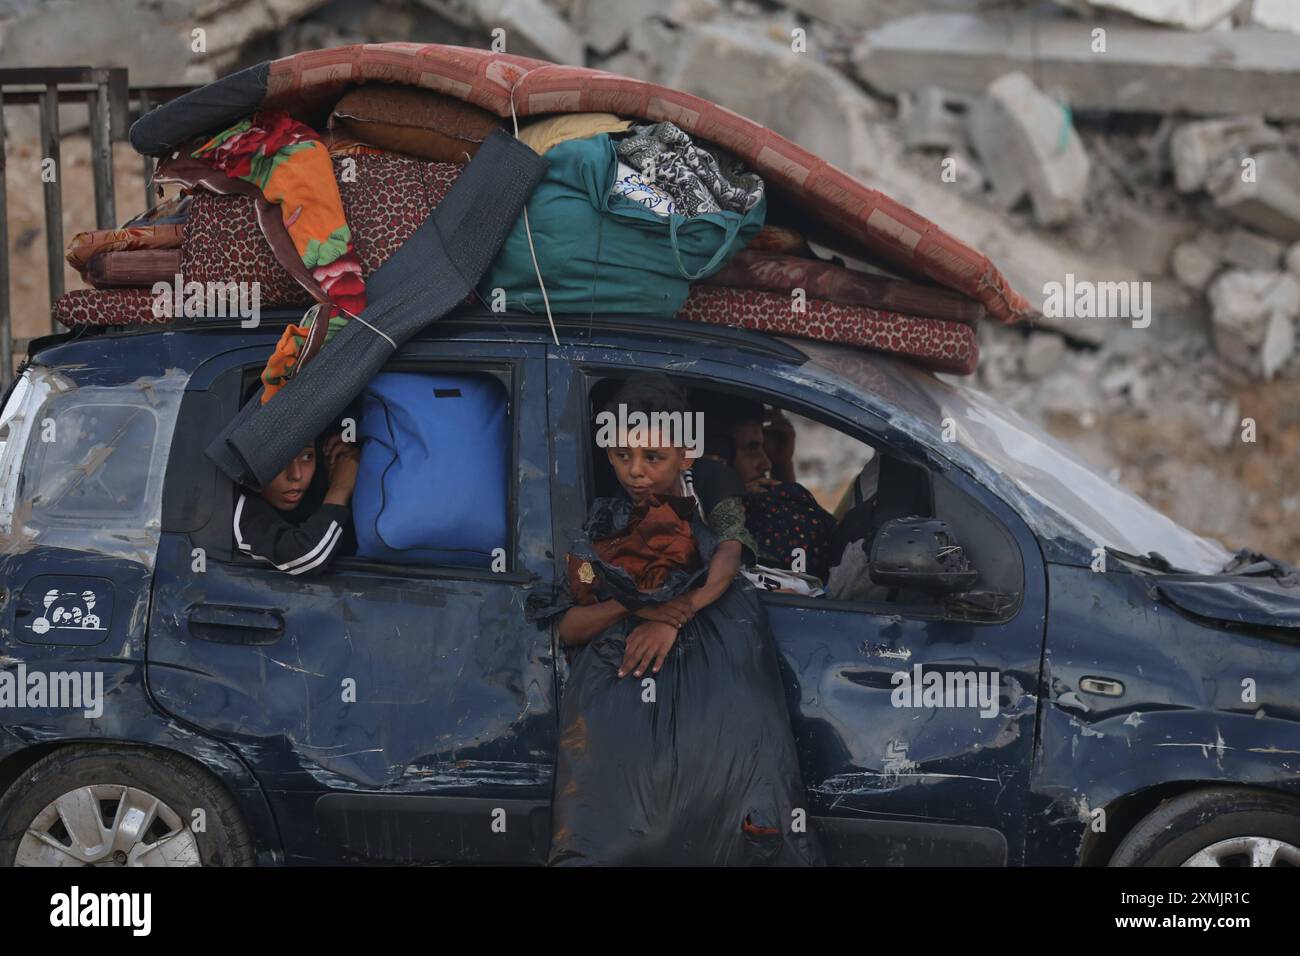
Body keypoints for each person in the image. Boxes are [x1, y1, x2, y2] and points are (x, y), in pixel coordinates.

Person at [537, 373, 822, 866]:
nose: (636, 472)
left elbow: (728, 552)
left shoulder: (712, 483)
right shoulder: (603, 511)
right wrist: (637, 604)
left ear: (687, 454)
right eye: (623, 455)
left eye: (653, 457)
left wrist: (676, 615)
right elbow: (567, 623)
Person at [696, 392, 837, 584]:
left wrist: (783, 463)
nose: (766, 464)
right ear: (715, 457)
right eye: (752, 448)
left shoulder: (758, 506)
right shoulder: (690, 521)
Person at [233, 433, 359, 576]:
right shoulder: (230, 505)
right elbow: (307, 556)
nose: (296, 474)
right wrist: (341, 487)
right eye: (278, 459)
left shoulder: (318, 477)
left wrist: (344, 464)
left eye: (307, 456)